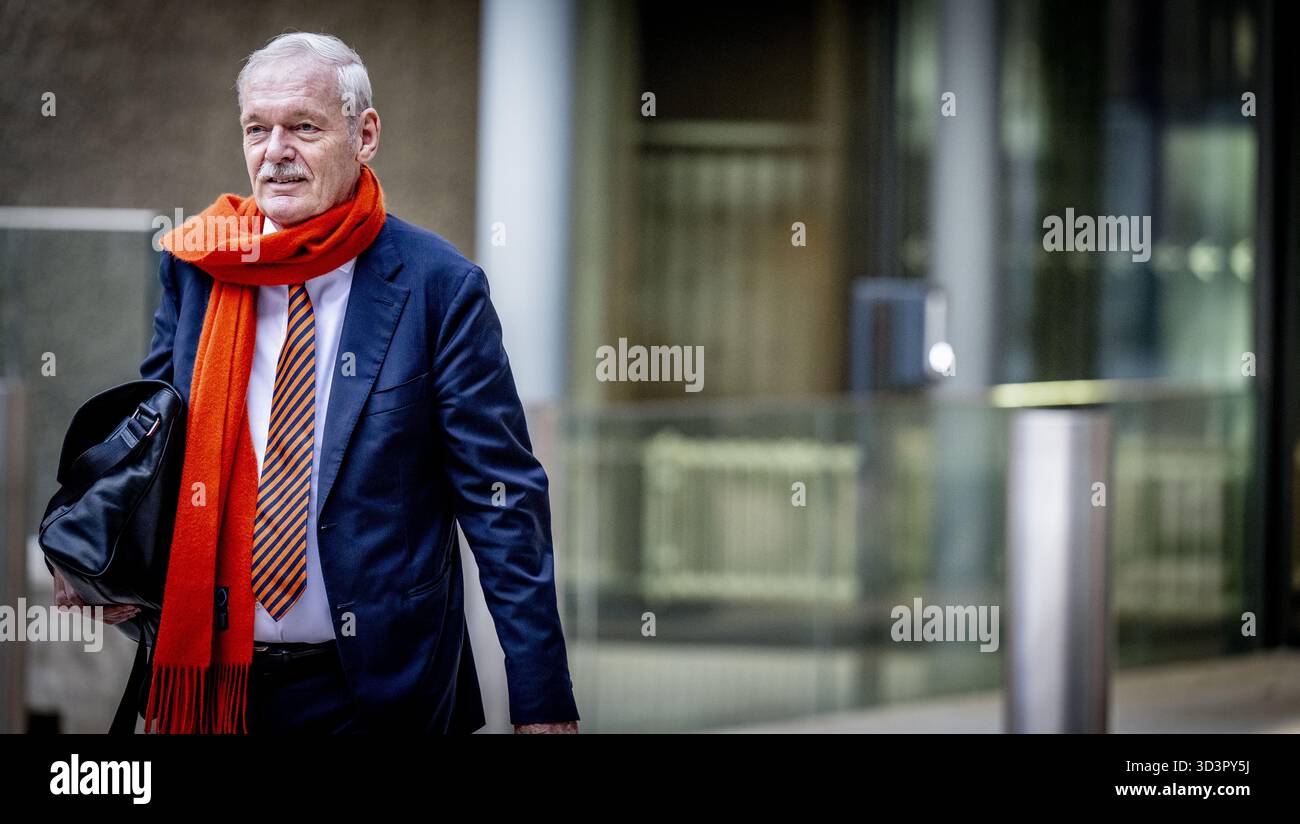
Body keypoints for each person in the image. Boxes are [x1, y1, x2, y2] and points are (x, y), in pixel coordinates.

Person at [52, 31, 578, 734]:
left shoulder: (438, 287)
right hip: (217, 685)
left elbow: (502, 501)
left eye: (303, 126)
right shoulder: (201, 267)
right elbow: (158, 455)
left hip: (381, 691)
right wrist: (102, 562)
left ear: (365, 135)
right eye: (257, 129)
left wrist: (540, 697)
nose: (276, 151)